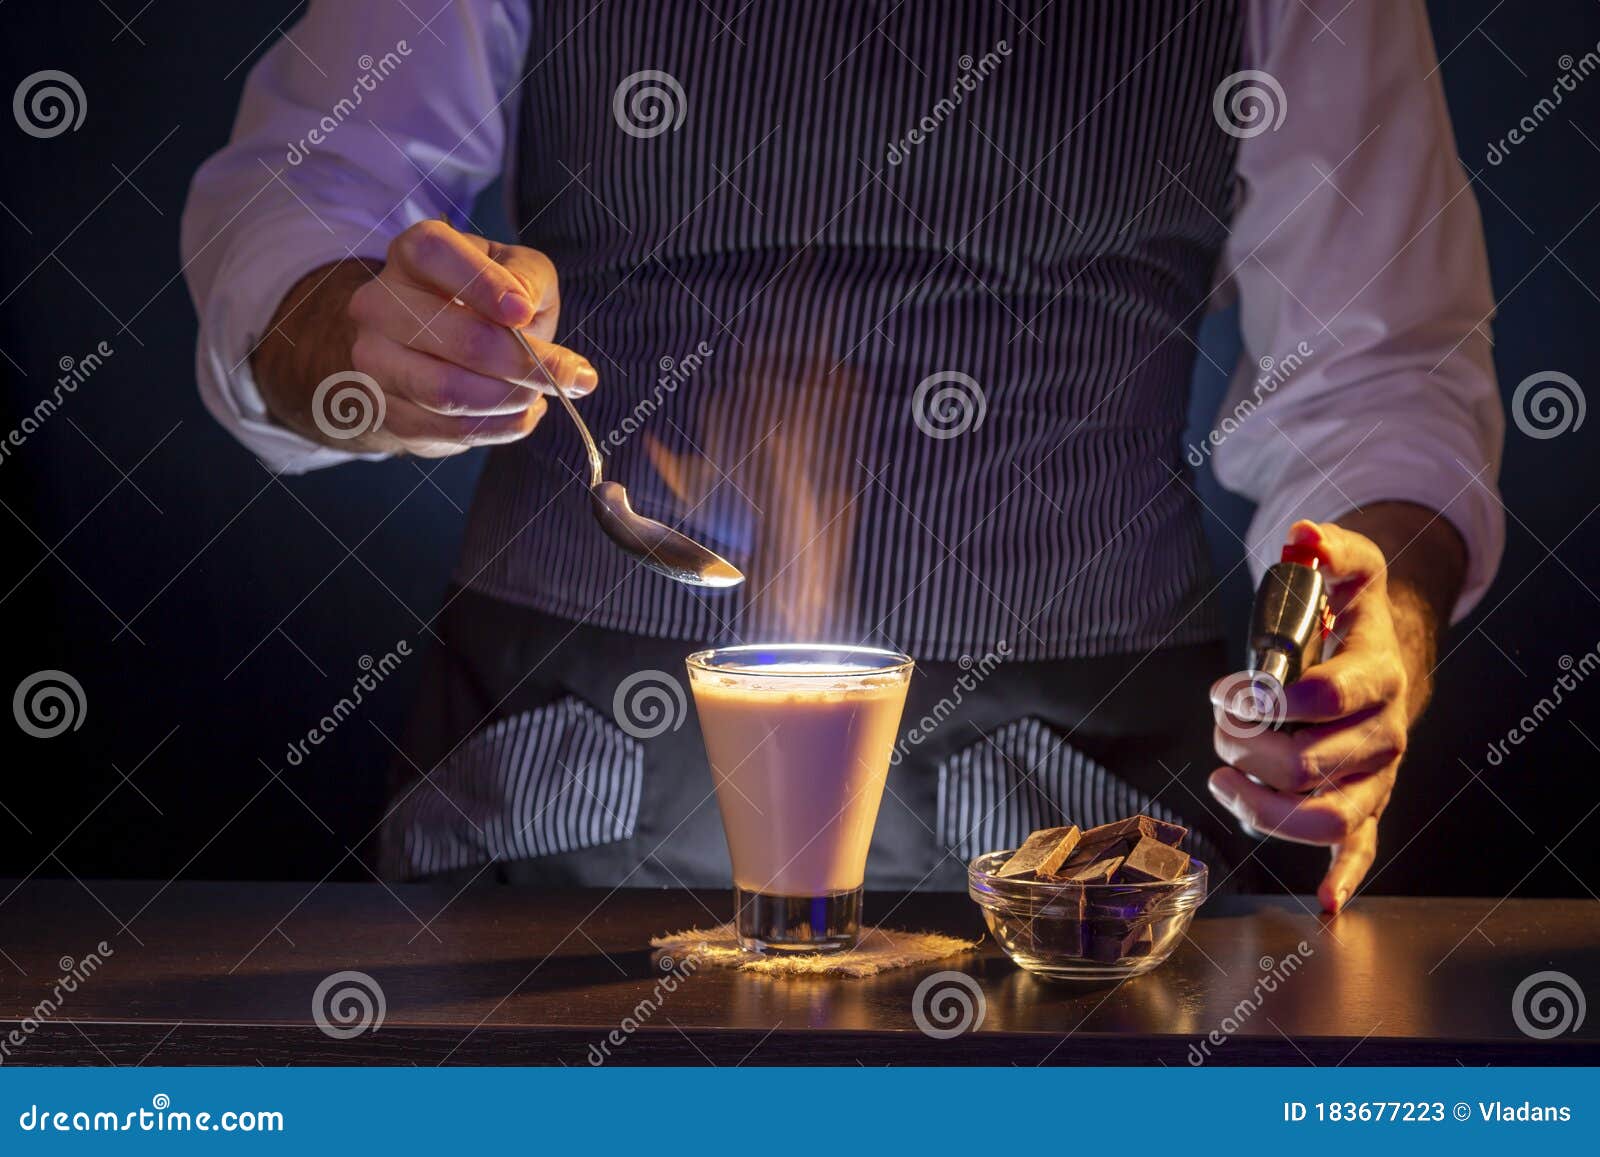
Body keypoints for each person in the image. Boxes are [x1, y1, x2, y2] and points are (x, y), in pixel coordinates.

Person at [182, 0, 1502, 911]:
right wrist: (356, 332)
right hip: (551, 810)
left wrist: (1370, 618)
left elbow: (1378, 373)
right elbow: (303, 193)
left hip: (1085, 842)